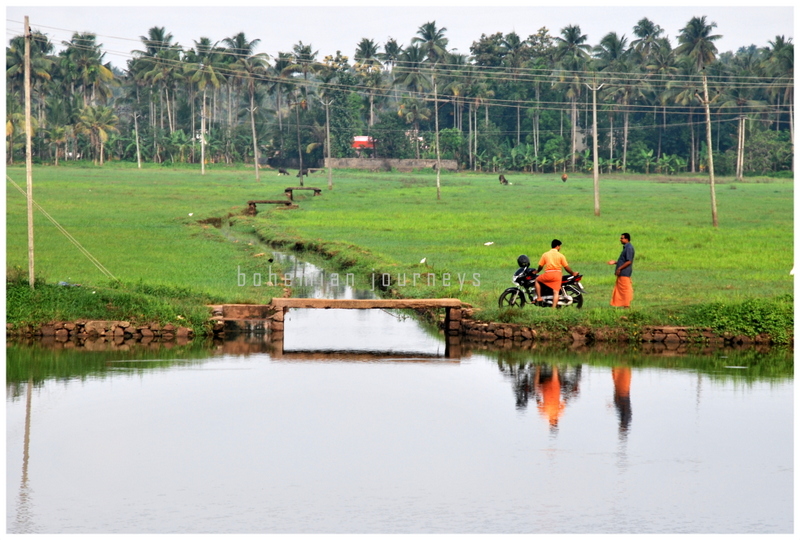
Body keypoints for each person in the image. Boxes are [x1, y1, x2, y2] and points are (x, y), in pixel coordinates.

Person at [534, 239, 578, 309]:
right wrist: (573, 273)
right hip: (557, 275)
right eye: (560, 246)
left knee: (537, 280)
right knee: (556, 292)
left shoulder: (545, 254)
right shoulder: (561, 255)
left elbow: (540, 266)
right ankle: (553, 309)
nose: (560, 248)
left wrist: (537, 271)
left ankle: (539, 297)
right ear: (557, 246)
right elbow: (566, 267)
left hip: (548, 274)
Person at [608, 233, 634, 308]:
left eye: (622, 238)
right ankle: (624, 305)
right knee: (621, 290)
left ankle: (626, 305)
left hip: (624, 272)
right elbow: (624, 260)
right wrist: (615, 262)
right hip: (623, 272)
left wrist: (619, 268)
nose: (620, 239)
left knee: (625, 290)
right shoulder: (626, 247)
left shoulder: (629, 248)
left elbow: (629, 261)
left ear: (627, 239)